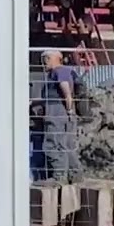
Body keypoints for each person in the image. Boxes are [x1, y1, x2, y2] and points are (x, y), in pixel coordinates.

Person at [39, 49, 81, 183]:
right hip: (63, 110)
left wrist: (68, 109)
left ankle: (59, 177)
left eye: (46, 59)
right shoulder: (65, 71)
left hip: (57, 111)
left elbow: (66, 91)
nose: (44, 63)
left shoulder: (59, 71)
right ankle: (75, 176)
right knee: (67, 144)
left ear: (53, 58)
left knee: (54, 142)